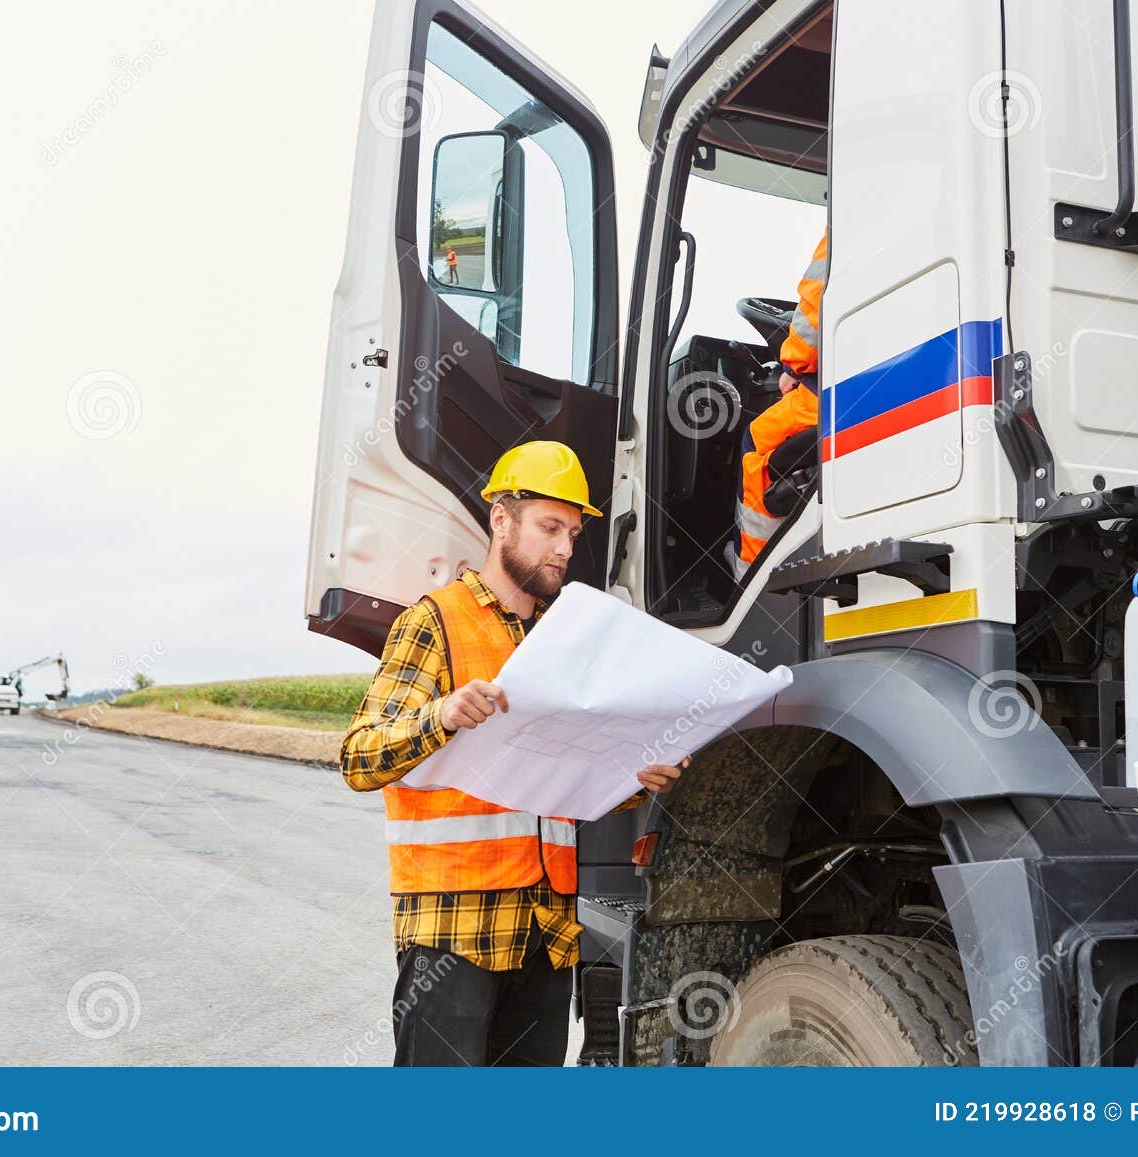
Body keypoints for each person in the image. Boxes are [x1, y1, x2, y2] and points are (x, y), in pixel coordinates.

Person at [341, 440, 684, 1066]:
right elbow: (360, 758)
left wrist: (635, 778)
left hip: (545, 935)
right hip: (453, 932)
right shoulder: (436, 622)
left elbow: (568, 774)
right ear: (501, 519)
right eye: (550, 527)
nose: (564, 549)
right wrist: (439, 715)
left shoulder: (564, 635)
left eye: (574, 534)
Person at [728, 229, 828, 580]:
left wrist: (792, 367)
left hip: (836, 397)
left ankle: (753, 573)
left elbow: (814, 305)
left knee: (754, 442)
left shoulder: (849, 217)